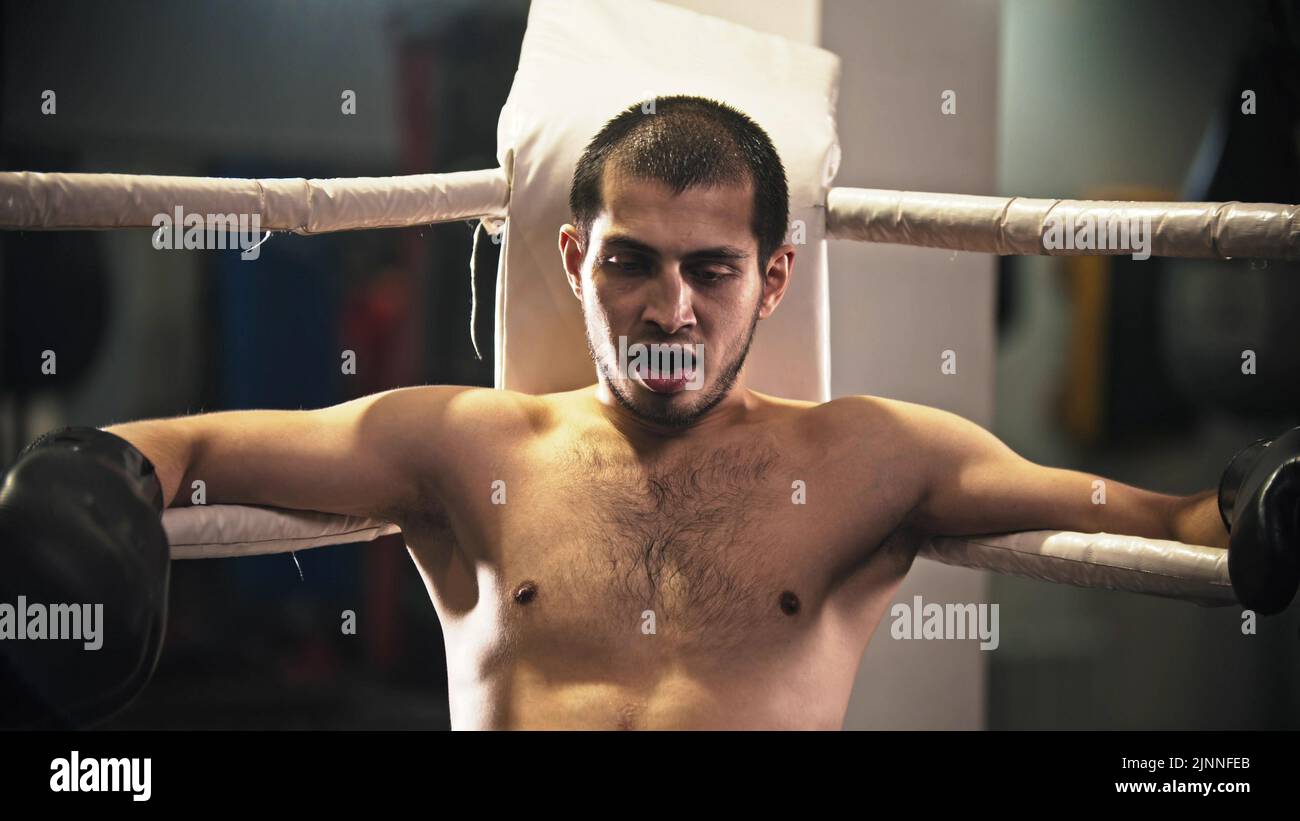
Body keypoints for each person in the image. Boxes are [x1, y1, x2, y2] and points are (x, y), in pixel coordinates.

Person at [1, 96, 1295, 730]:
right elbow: (179, 453)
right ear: (576, 262)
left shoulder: (869, 458)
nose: (669, 309)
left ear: (770, 278)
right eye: (632, 261)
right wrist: (86, 490)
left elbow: (1166, 519)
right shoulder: (469, 447)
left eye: (711, 269)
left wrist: (1262, 504)